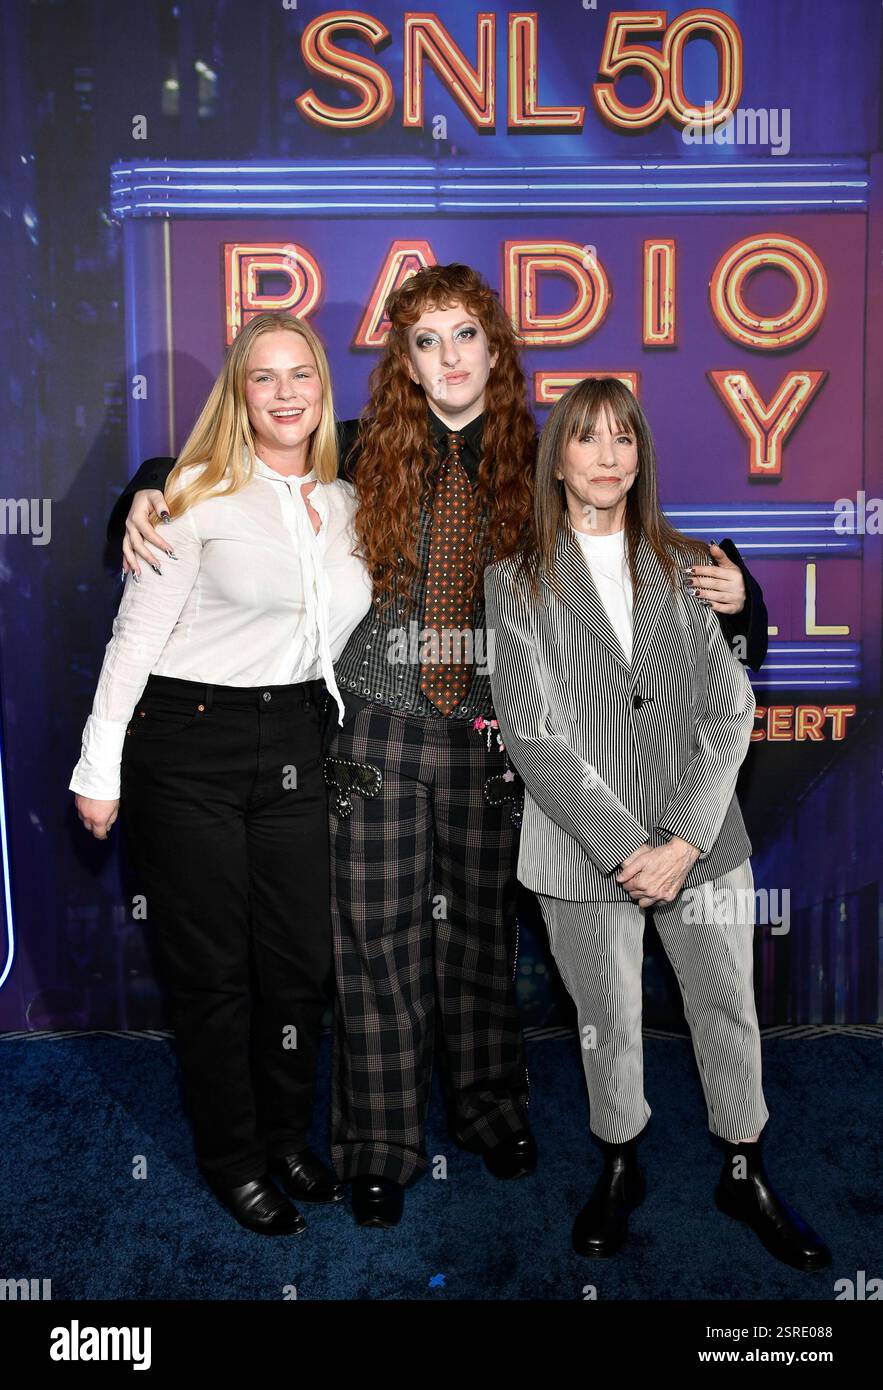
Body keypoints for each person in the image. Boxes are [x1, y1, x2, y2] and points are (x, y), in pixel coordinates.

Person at [106, 265, 768, 1231]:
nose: (448, 356)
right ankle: (378, 1147)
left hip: (500, 742)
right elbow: (239, 467)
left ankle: (492, 1112)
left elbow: (638, 525)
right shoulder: (358, 448)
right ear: (406, 363)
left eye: (466, 336)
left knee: (480, 947)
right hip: (372, 731)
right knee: (373, 948)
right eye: (427, 341)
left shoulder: (545, 455)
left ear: (495, 352)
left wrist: (741, 589)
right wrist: (145, 486)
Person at [484, 376, 830, 1271]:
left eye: (624, 439)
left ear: (641, 456)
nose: (608, 456)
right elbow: (532, 734)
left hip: (701, 843)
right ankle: (618, 1162)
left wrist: (678, 840)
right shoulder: (514, 582)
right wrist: (625, 848)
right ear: (555, 458)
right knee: (604, 1020)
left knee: (726, 1007)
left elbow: (728, 709)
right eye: (588, 439)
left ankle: (744, 1169)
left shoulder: (689, 567)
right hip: (578, 851)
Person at [71, 311, 373, 1236]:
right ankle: (233, 1159)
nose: (286, 393)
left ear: (324, 390)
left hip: (297, 742)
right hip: (187, 746)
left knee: (297, 967)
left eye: (303, 376)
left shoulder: (348, 498)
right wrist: (98, 766)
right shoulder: (189, 493)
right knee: (214, 975)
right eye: (264, 378)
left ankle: (285, 1138)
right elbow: (133, 641)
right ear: (238, 396)